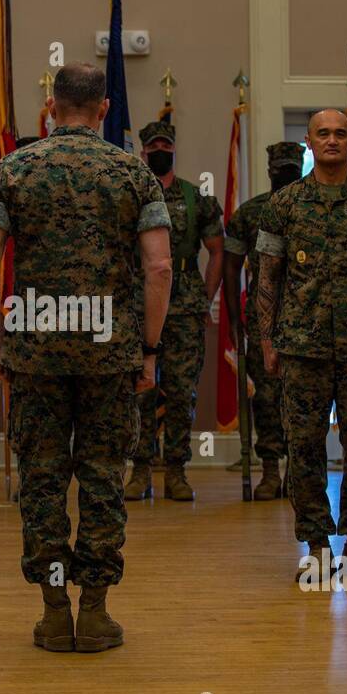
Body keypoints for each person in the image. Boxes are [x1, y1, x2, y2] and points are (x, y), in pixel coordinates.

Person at [0, 62, 171, 653]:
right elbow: (159, 268)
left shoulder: (10, 172)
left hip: (35, 354)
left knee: (42, 480)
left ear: (51, 105)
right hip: (111, 356)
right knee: (103, 479)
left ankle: (54, 610)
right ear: (105, 109)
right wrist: (150, 348)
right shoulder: (134, 173)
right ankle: (97, 612)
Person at [255, 109, 347, 580]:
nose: (332, 140)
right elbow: (268, 279)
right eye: (323, 133)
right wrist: (267, 341)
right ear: (308, 142)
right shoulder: (284, 206)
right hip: (303, 347)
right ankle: (317, 545)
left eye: (341, 133)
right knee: (304, 447)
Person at [125, 120, 224, 502]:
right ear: (144, 152)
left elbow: (217, 248)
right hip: (138, 303)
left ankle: (177, 471)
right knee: (140, 391)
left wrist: (205, 296)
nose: (160, 150)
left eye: (166, 144)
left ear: (174, 149)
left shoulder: (197, 198)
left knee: (183, 392)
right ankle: (140, 471)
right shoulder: (131, 195)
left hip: (184, 304)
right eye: (154, 146)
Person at [221, 142, 305, 498]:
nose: (285, 175)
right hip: (264, 318)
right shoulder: (250, 213)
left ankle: (298, 474)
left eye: (291, 169)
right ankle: (270, 470)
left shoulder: (313, 208)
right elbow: (230, 265)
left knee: (303, 396)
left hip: (307, 315)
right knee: (267, 398)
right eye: (280, 169)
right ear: (270, 171)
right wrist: (234, 320)